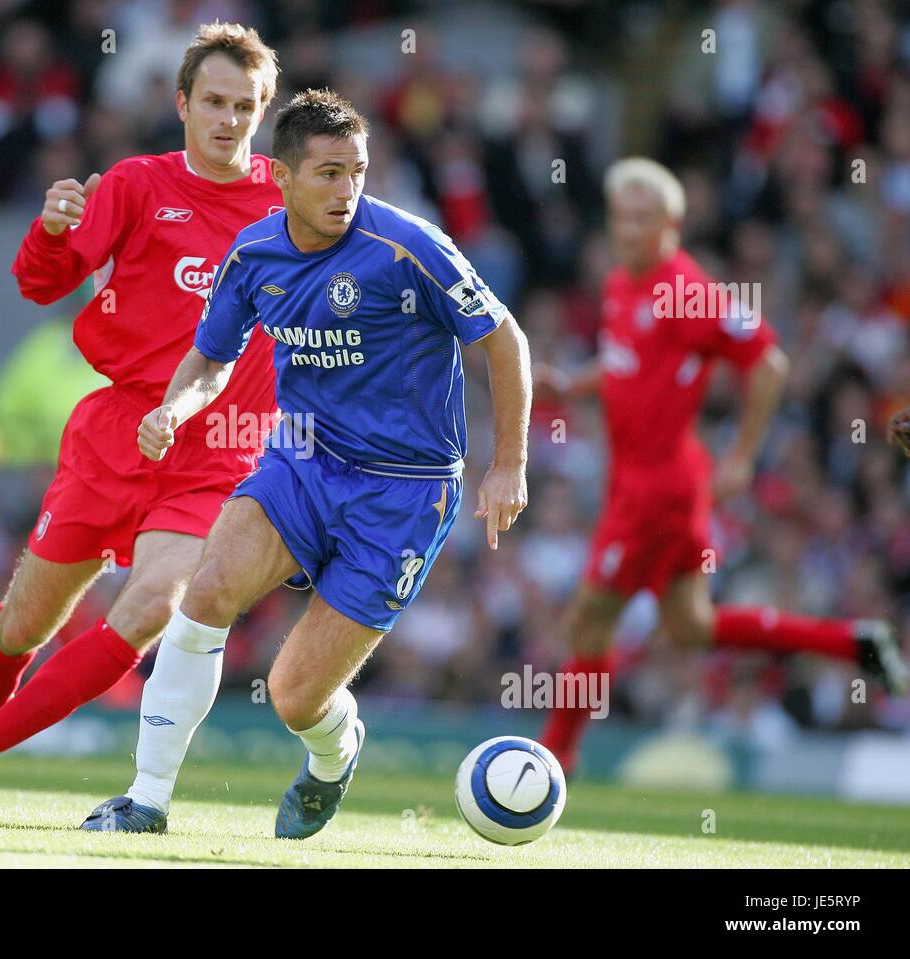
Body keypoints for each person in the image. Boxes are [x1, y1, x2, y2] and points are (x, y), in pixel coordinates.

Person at [85, 88, 531, 838]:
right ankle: (146, 799)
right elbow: (209, 357)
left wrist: (509, 463)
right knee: (208, 589)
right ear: (283, 177)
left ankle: (334, 753)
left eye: (356, 170)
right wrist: (173, 407)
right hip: (302, 461)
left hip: (405, 490)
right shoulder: (255, 253)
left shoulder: (407, 246)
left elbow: (503, 338)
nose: (346, 189)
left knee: (293, 696)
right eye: (327, 173)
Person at [0, 23, 283, 804]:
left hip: (219, 451)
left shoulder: (292, 205)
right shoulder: (134, 185)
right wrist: (51, 230)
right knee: (23, 623)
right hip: (115, 436)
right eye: (213, 101)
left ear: (263, 112)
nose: (228, 119)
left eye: (245, 107)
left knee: (154, 602)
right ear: (182, 103)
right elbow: (42, 284)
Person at [535, 158, 907, 776]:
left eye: (642, 217)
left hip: (659, 491)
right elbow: (627, 363)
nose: (627, 228)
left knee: (588, 618)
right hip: (637, 484)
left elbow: (769, 363)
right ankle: (853, 642)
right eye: (620, 215)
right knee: (690, 627)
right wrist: (571, 385)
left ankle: (552, 761)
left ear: (672, 223)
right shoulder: (620, 283)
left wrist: (742, 456)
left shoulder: (686, 291)